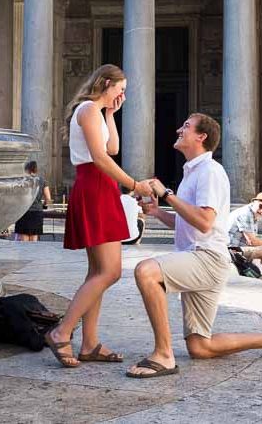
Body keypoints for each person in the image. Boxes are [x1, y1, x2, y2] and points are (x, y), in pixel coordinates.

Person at [127, 113, 262, 378]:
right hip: (203, 259)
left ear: (201, 137)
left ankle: (164, 355)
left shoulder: (209, 171)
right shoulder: (193, 172)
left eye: (186, 126)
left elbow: (204, 222)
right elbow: (189, 222)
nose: (179, 129)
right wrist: (158, 212)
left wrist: (167, 193)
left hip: (206, 259)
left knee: (146, 271)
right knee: (201, 347)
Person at [43, 64, 152, 368]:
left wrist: (111, 114)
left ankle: (89, 344)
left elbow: (112, 148)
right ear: (106, 83)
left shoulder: (97, 111)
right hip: (95, 186)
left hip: (99, 187)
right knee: (110, 272)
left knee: (98, 273)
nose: (123, 94)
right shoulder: (87, 108)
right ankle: (62, 332)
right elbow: (100, 157)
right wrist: (134, 185)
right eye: (120, 88)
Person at [14, 161, 51, 241]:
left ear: (26, 169)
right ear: (36, 169)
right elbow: (48, 198)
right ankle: (33, 253)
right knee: (34, 236)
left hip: (23, 211)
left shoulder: (22, 180)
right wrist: (44, 205)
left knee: (24, 236)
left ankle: (25, 253)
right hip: (37, 211)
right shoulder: (42, 180)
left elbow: (17, 196)